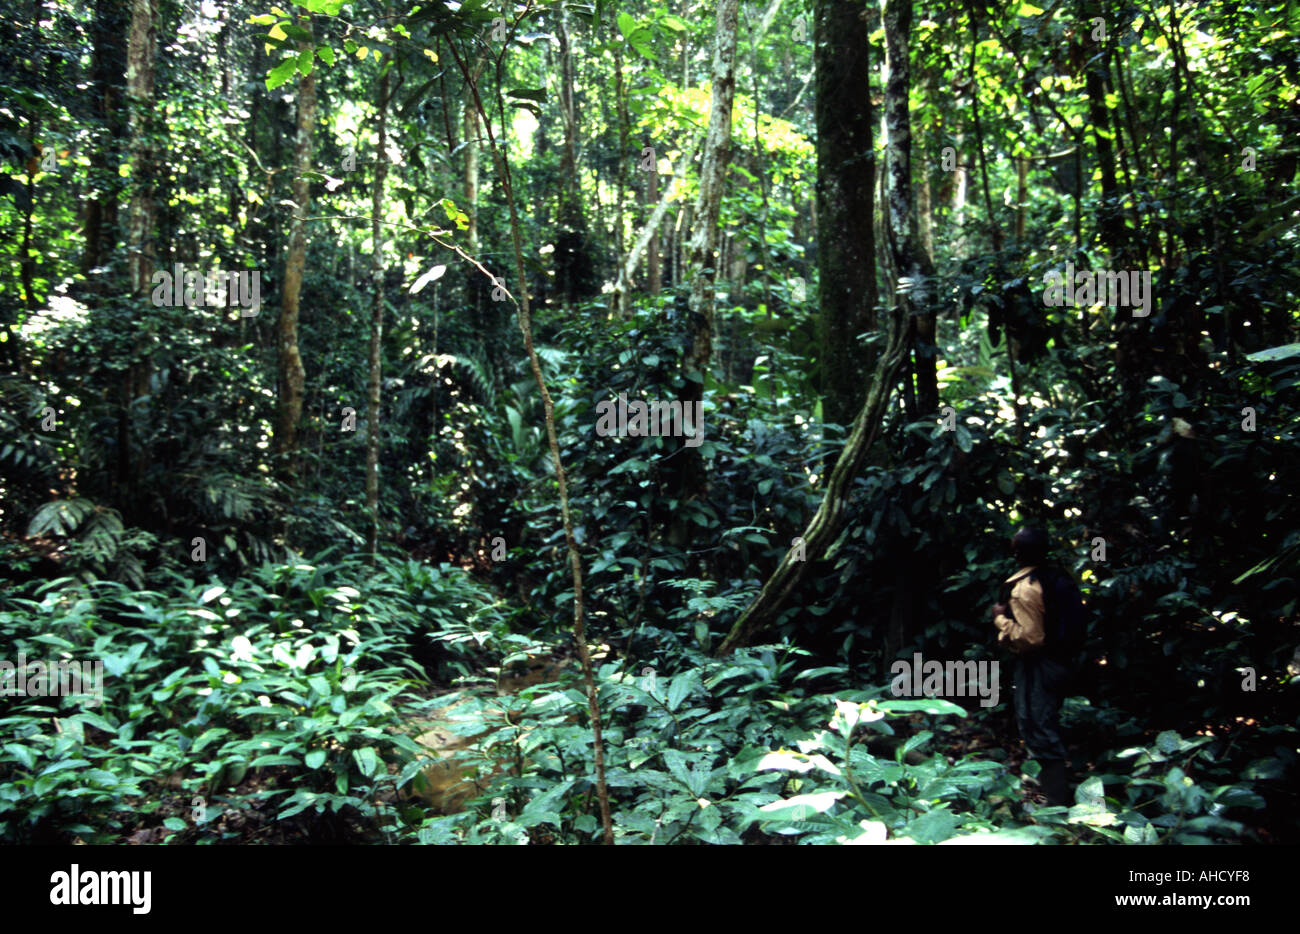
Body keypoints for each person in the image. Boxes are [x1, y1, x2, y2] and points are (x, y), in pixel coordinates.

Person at [990, 527, 1080, 807]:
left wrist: (1000, 621)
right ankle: (1048, 789)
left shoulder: (1026, 587)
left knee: (1038, 726)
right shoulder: (1058, 576)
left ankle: (1056, 803)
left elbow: (1031, 637)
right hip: (1062, 662)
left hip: (1040, 663)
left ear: (1018, 553)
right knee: (1041, 723)